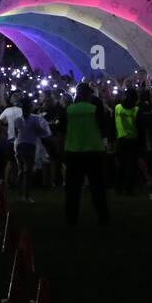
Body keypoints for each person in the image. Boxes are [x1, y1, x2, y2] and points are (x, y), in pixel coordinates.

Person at [62, 83, 111, 226]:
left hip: (73, 151)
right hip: (94, 150)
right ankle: (103, 217)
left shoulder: (68, 110)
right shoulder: (95, 109)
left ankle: (71, 218)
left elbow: (63, 130)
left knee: (73, 189)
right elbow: (103, 128)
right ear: (89, 95)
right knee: (97, 187)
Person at [14, 99, 54, 203]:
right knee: (27, 171)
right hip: (29, 145)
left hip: (21, 144)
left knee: (21, 170)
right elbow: (42, 131)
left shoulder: (18, 119)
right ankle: (26, 196)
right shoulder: (35, 119)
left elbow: (16, 132)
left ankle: (21, 195)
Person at [114, 89, 141, 195]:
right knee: (131, 165)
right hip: (133, 139)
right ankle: (129, 188)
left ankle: (118, 187)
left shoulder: (118, 107)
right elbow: (140, 127)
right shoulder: (136, 110)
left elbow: (113, 123)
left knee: (120, 164)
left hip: (120, 139)